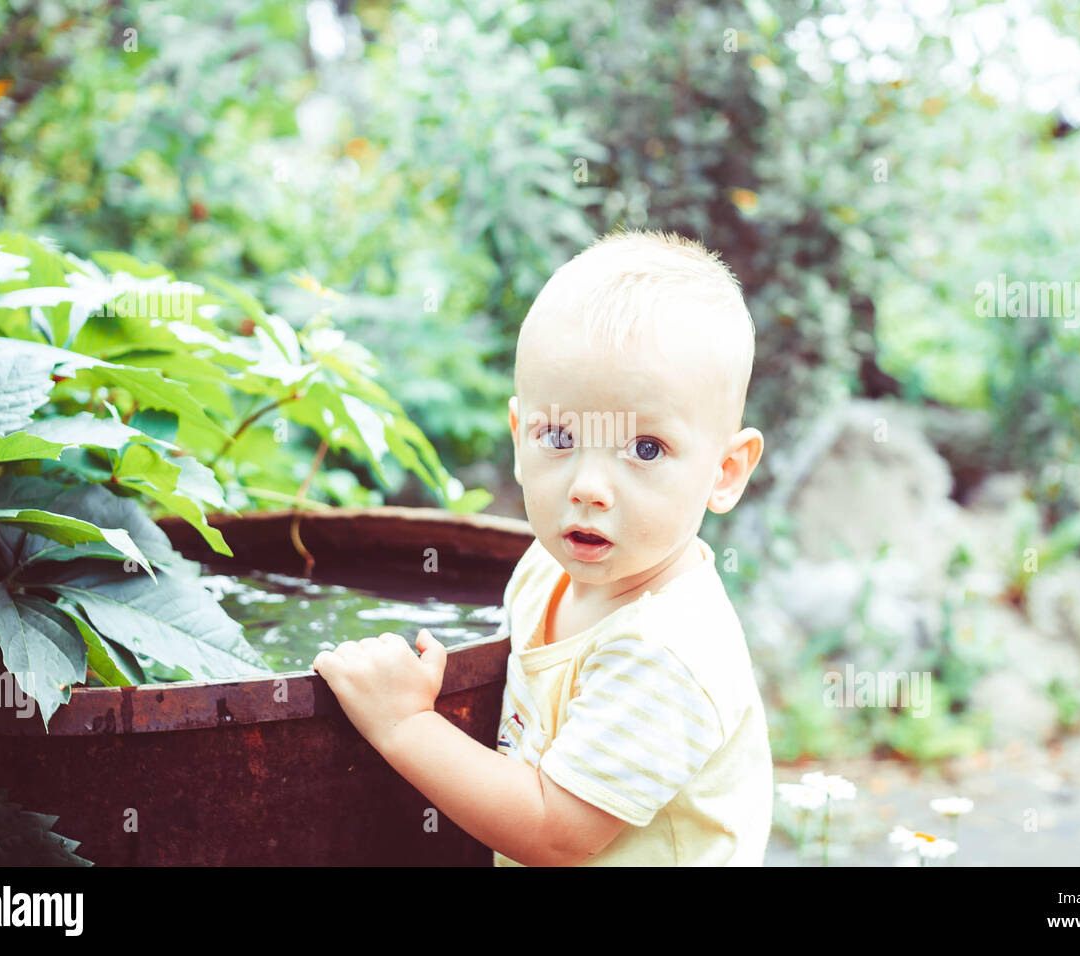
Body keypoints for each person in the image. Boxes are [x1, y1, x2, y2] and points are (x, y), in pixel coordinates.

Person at [313, 227, 772, 865]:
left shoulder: (667, 652)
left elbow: (555, 831)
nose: (588, 487)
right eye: (558, 436)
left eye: (645, 449)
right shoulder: (543, 571)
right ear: (517, 437)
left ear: (725, 471)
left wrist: (404, 723)